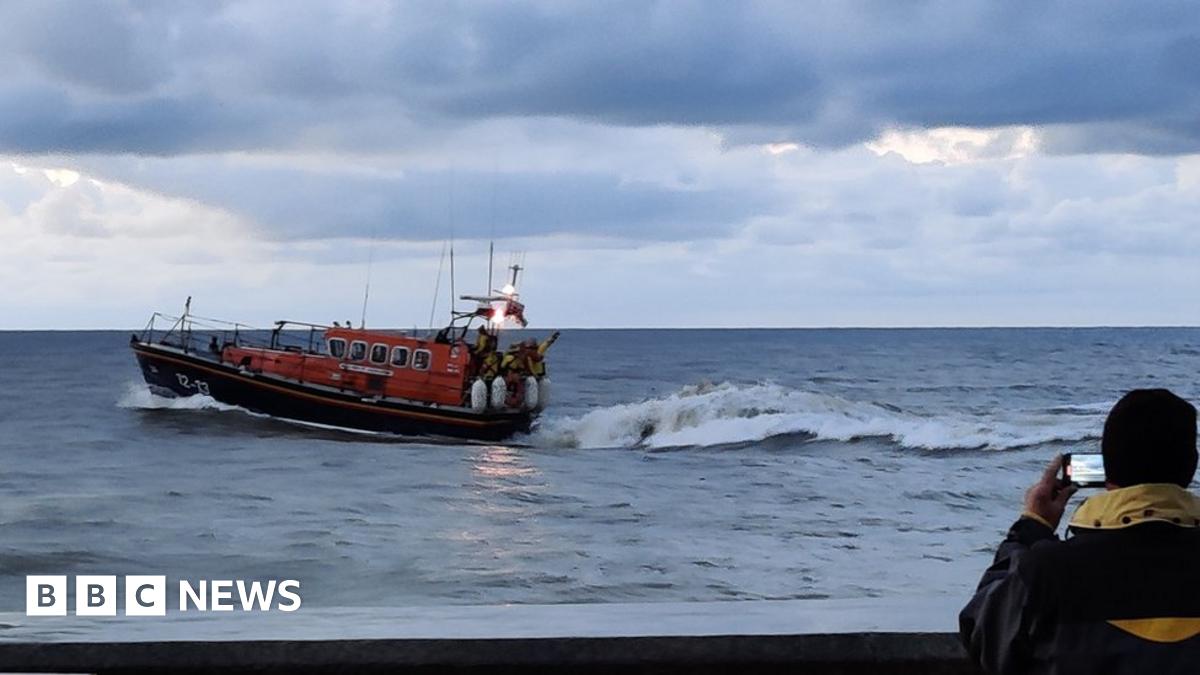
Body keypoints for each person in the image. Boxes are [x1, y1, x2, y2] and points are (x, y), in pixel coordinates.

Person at [960, 388, 1200, 674]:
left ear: (1107, 468)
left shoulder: (1047, 572)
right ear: (1192, 466)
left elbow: (984, 633)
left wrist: (1032, 526)